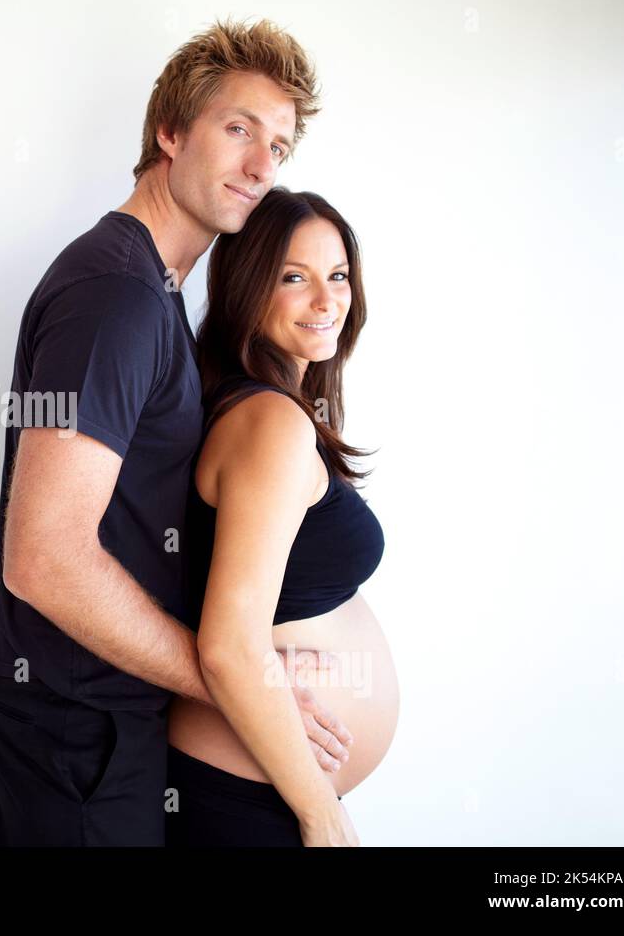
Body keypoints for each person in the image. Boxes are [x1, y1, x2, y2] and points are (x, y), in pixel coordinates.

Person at [0, 17, 353, 846]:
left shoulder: (153, 291)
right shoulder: (118, 296)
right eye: (239, 128)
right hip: (76, 727)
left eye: (279, 148)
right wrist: (235, 682)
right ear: (170, 131)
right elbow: (44, 558)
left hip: (94, 717)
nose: (261, 166)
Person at [166, 188, 396, 847]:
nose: (326, 301)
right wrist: (321, 812)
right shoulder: (269, 423)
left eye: (338, 275)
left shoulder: (271, 410)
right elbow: (230, 646)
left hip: (265, 782)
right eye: (294, 277)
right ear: (247, 287)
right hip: (244, 796)